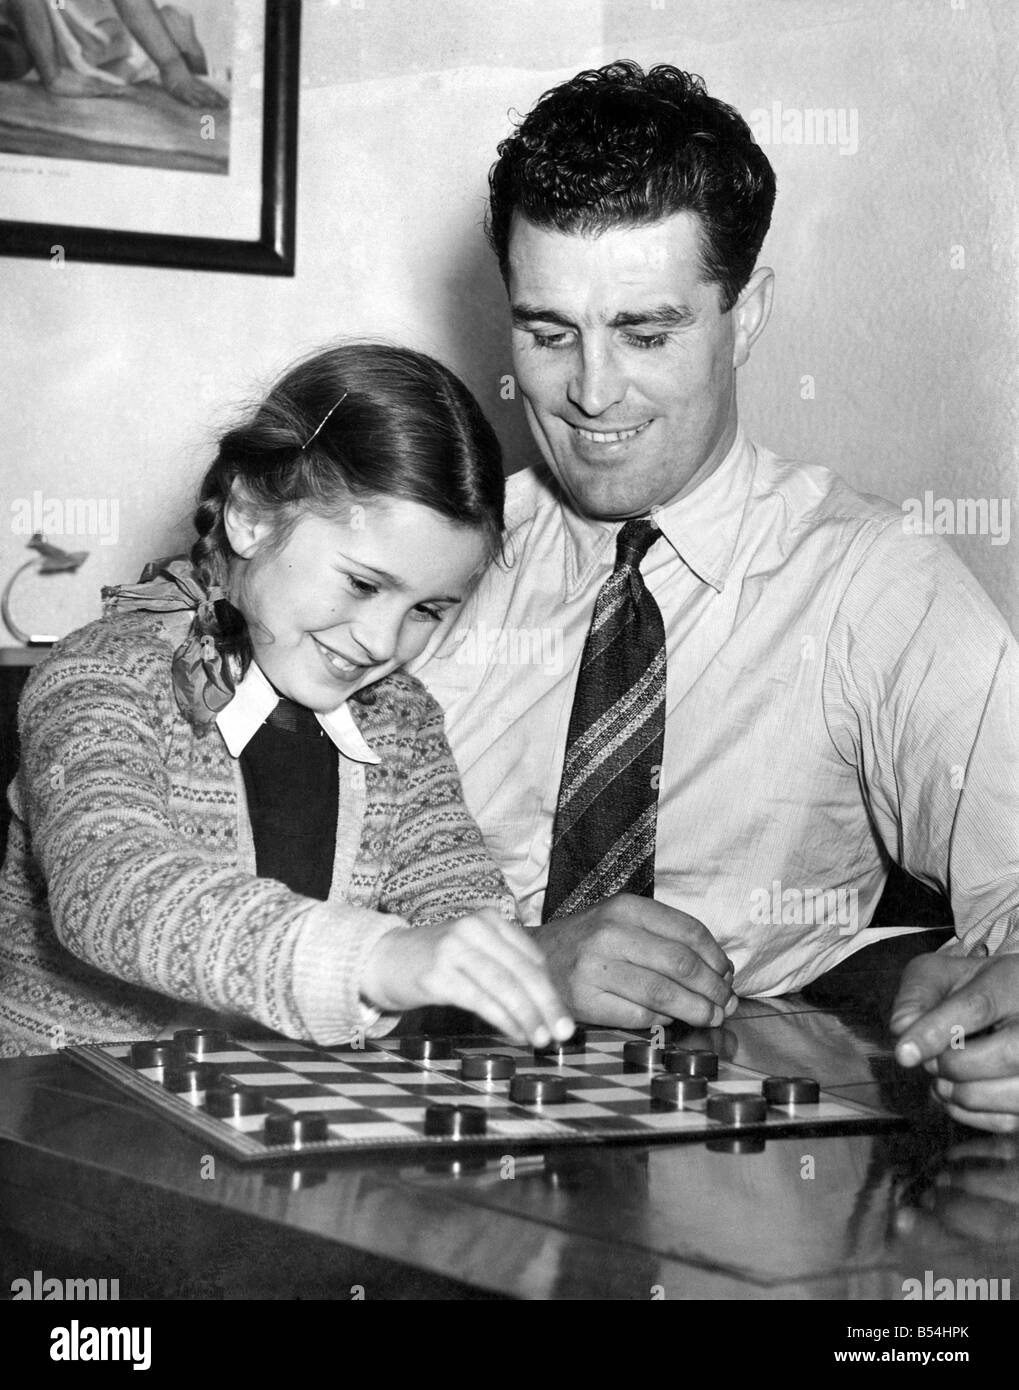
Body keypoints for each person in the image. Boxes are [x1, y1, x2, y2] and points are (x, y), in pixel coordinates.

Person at [413, 61, 1019, 1130]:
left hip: (729, 1180)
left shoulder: (873, 583)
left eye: (647, 333)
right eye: (547, 333)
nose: (590, 393)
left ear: (745, 318)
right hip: (411, 1128)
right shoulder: (421, 561)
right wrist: (507, 967)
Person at [0, 342, 571, 1057]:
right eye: (363, 584)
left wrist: (492, 963)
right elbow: (108, 885)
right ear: (250, 516)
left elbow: (458, 898)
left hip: (282, 1123)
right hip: (72, 1117)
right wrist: (374, 960)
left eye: (428, 609)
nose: (381, 640)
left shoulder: (400, 720)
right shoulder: (100, 676)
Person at [0, 0, 227, 107]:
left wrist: (174, 69)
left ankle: (202, 91)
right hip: (35, 38)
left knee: (177, 24)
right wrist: (53, 75)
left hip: (85, 32)